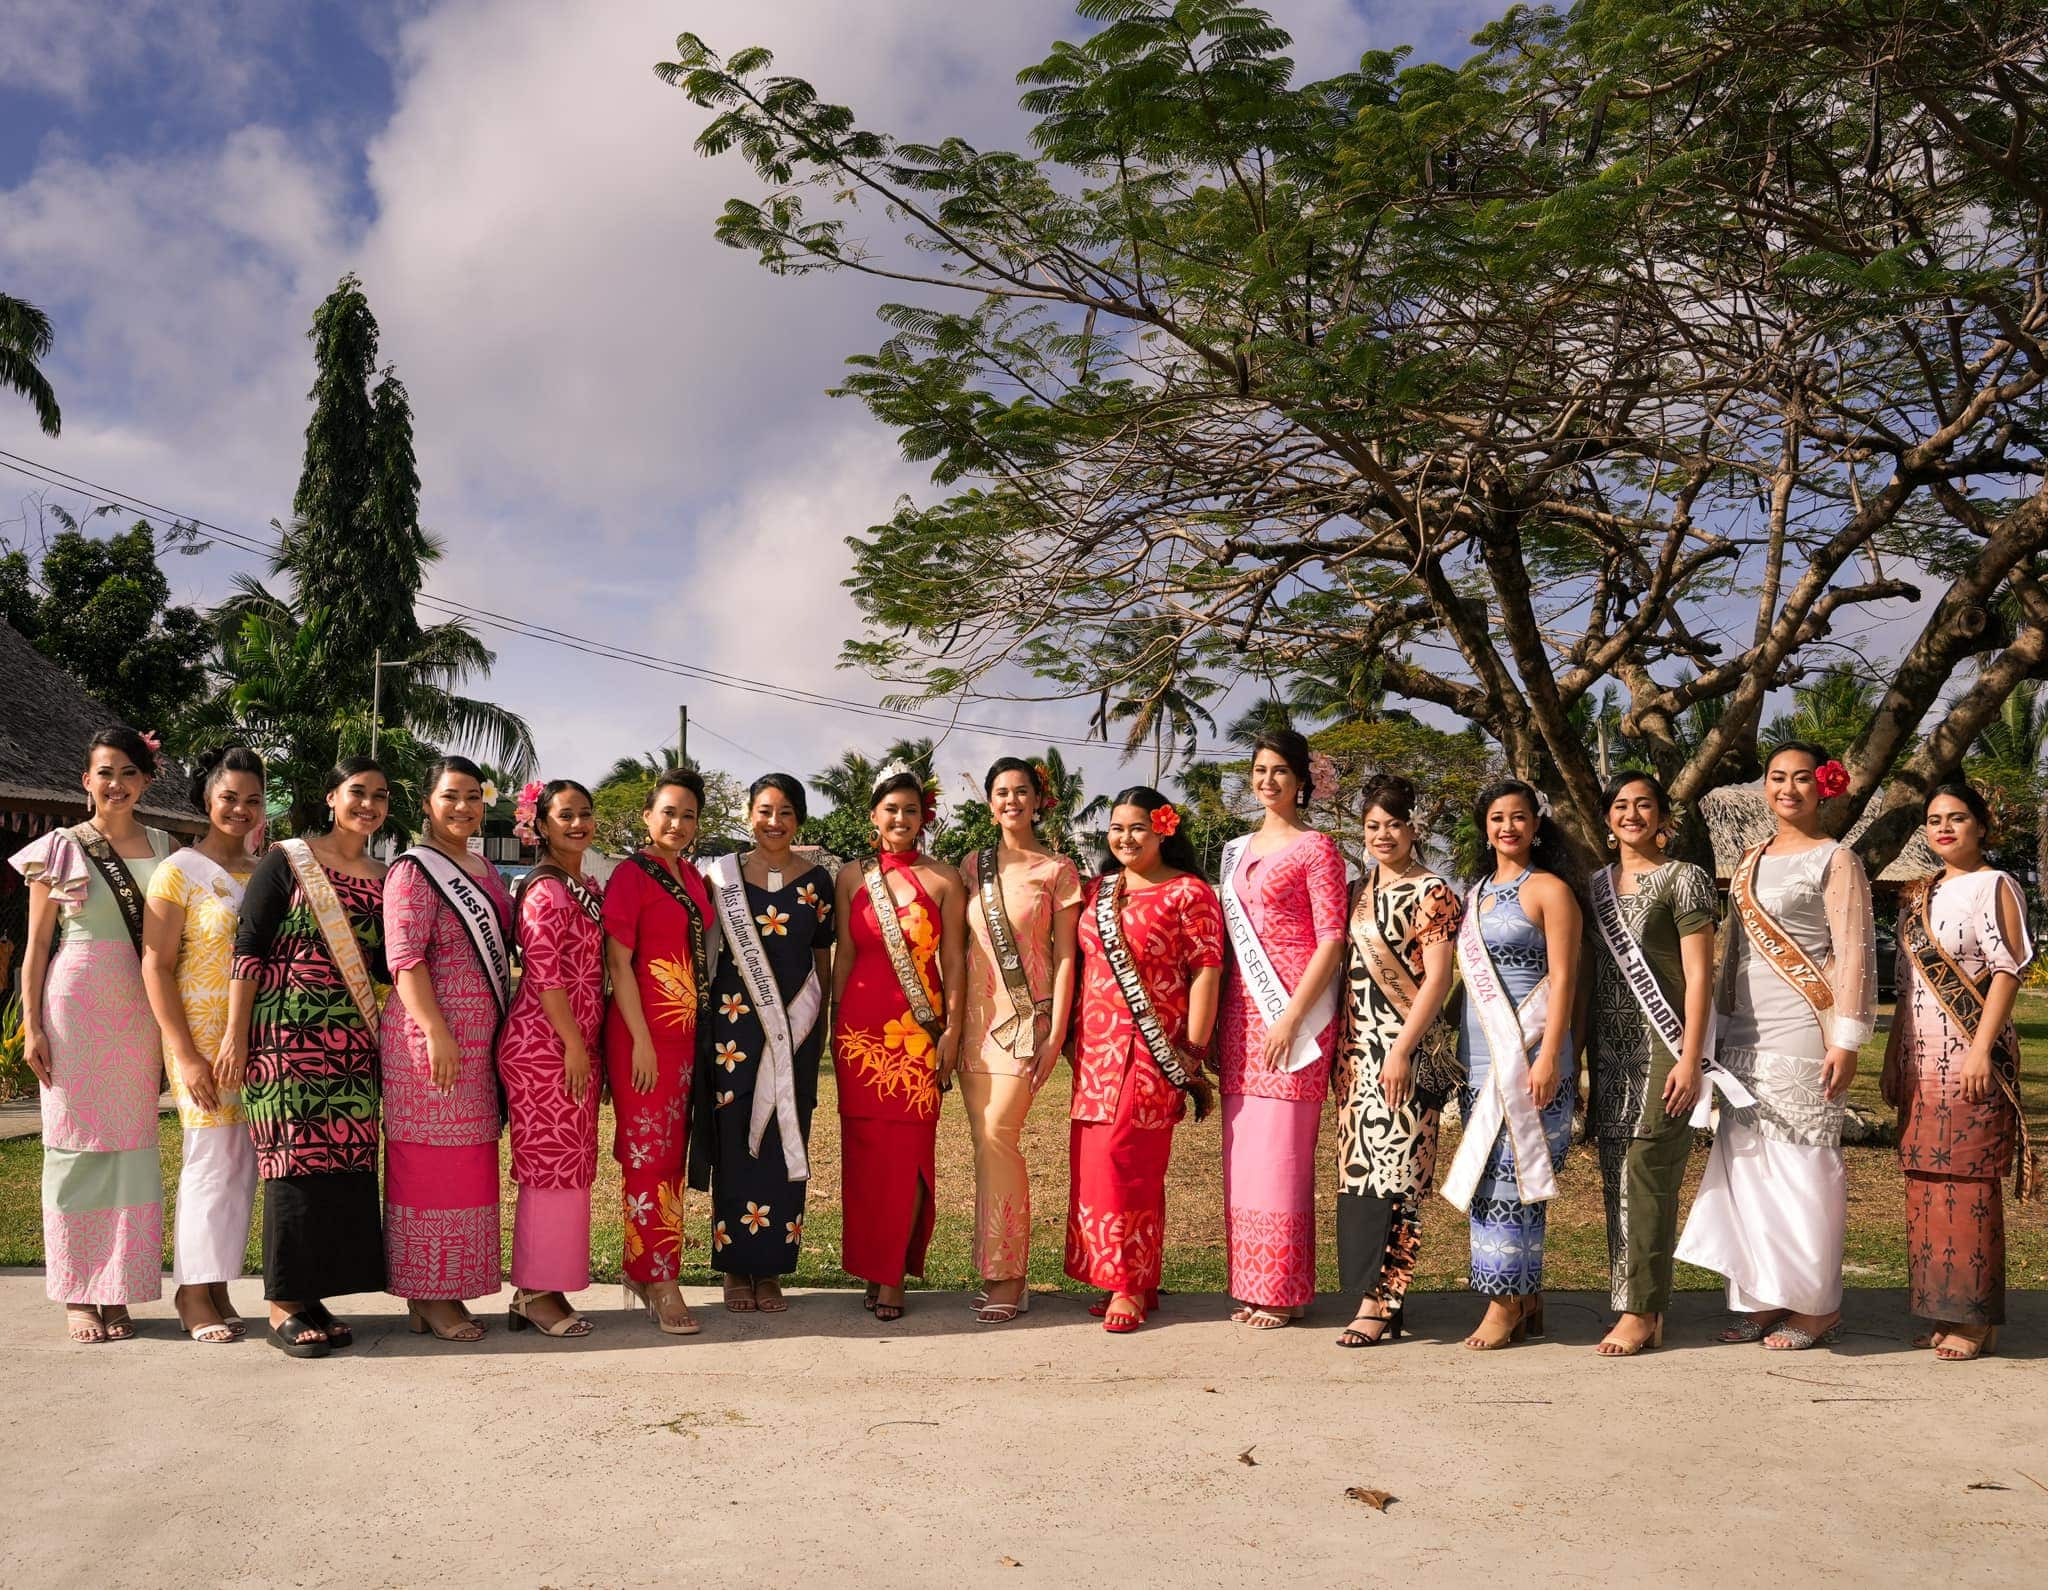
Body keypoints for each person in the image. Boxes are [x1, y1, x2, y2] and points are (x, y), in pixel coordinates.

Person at [1677, 741, 1875, 1351]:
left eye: (1801, 778)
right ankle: (1763, 1295)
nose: (1788, 789)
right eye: (1777, 777)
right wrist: (1716, 1028)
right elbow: (1732, 949)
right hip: (1744, 1033)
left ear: (1824, 786)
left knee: (1803, 1165)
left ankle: (1817, 1306)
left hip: (1804, 1029)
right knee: (1749, 1166)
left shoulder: (1836, 859)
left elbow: (1854, 950)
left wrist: (1846, 1039)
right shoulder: (1748, 860)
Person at [10, 727, 173, 1344]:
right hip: (74, 1006)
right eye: (106, 772)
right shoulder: (58, 849)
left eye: (130, 772)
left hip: (139, 1009)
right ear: (86, 780)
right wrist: (32, 1024)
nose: (117, 784)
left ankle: (118, 1287)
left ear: (146, 781)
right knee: (73, 1147)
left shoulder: (165, 846)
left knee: (131, 1148)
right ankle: (78, 1292)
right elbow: (35, 946)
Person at [227, 757, 390, 1357]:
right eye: (357, 792)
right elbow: (249, 946)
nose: (368, 804)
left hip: (351, 1041)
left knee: (344, 1162)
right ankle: (283, 1304)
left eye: (379, 796)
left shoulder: (386, 875)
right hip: (285, 1038)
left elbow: (384, 964)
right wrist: (235, 1035)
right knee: (294, 1162)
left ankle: (313, 1293)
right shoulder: (289, 858)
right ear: (331, 797)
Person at [1880, 782, 2032, 1361]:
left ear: (1982, 826)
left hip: (1972, 1060)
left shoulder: (1996, 885)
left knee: (1968, 1183)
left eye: (1957, 818)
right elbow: (1907, 987)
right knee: (1926, 1182)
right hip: (1920, 1061)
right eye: (1935, 819)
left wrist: (1980, 1050)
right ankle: (1944, 1309)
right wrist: (1894, 1057)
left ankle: (1976, 1319)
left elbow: (2008, 970)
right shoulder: (1920, 894)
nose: (1944, 828)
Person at [1066, 787, 1222, 1333]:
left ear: (1163, 830)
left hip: (1152, 1052)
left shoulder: (1189, 893)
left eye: (1137, 827)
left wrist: (1192, 1051)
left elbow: (1206, 970)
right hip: (1094, 1054)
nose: (1125, 837)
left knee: (1129, 1164)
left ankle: (1128, 1285)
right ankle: (1132, 1280)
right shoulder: (1097, 891)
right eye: (1117, 828)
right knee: (1094, 1166)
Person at [689, 773, 835, 1314]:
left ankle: (771, 1269)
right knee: (734, 1140)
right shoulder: (719, 877)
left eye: (786, 812)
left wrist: (821, 1022)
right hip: (735, 1033)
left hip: (797, 1030)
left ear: (800, 820)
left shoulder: (818, 881)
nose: (775, 822)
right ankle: (734, 1267)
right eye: (765, 811)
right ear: (750, 815)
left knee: (784, 1138)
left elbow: (821, 957)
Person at [1444, 778, 1582, 1350]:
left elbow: (1565, 979)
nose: (1508, 826)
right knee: (1488, 1179)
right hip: (1480, 1063)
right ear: (1485, 827)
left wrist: (1549, 1056)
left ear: (1536, 824)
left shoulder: (1551, 889)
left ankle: (1503, 1303)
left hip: (1531, 1057)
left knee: (1515, 1181)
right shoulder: (1473, 894)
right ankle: (1525, 1297)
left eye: (1519, 816)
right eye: (1497, 817)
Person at [381, 757, 514, 1344]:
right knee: (429, 1165)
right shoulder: (414, 870)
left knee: (467, 1165)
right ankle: (428, 1292)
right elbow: (405, 958)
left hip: (481, 1041)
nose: (463, 807)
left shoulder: (486, 869)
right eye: (451, 796)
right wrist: (436, 1030)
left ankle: (446, 1288)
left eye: (473, 797)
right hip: (428, 1039)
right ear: (427, 803)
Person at [1217, 729, 1348, 1329]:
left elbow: (1332, 938)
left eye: (1280, 771)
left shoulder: (1318, 848)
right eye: (1260, 770)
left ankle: (1283, 1289)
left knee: (1282, 1155)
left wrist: (1292, 1017)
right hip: (1240, 1018)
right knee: (1245, 1155)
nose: (1267, 781)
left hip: (1295, 1016)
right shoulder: (1235, 849)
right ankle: (1252, 1283)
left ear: (1301, 782)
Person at [1584, 771, 1717, 1356]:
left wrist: (1691, 1058)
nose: (1631, 814)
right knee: (1616, 1171)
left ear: (1663, 817)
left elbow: (1699, 975)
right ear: (1607, 819)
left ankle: (1642, 1308)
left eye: (1643, 805)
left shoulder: (1685, 878)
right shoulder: (1596, 885)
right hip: (1610, 1046)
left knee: (1648, 1168)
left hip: (1667, 1045)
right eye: (1620, 805)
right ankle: (1633, 1301)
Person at [141, 745, 267, 1344]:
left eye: (252, 800)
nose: (240, 809)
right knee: (211, 1161)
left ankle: (218, 1284)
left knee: (243, 1165)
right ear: (207, 799)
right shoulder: (179, 870)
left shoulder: (267, 872)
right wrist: (185, 1054)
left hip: (257, 1040)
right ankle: (192, 1291)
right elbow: (156, 964)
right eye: (228, 798)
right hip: (199, 1037)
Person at [1331, 774, 1461, 1348]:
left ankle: (1380, 1303)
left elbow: (1438, 978)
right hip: (1354, 1058)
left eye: (1394, 824)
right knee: (1361, 1179)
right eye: (1373, 826)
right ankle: (1379, 1298)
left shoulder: (1433, 891)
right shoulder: (1356, 890)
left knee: (1400, 1179)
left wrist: (1402, 1049)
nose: (1383, 835)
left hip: (1405, 1053)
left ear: (1414, 828)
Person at [832, 766, 965, 1322]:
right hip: (861, 1036)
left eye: (911, 810)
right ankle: (872, 1265)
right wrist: (835, 1027)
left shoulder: (945, 879)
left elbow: (953, 961)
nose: (901, 819)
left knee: (908, 1157)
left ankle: (892, 1277)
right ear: (874, 815)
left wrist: (952, 1030)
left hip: (916, 1035)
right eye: (891, 809)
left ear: (923, 816)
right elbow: (844, 954)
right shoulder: (850, 876)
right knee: (864, 1158)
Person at [956, 759, 1081, 1323]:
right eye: (1002, 792)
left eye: (1021, 791)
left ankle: (1009, 1275)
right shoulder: (972, 866)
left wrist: (1055, 1032)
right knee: (984, 1145)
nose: (1012, 800)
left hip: (1026, 1023)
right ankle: (995, 1270)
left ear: (1038, 800)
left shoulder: (1057, 870)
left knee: (999, 1136)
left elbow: (1066, 956)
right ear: (990, 804)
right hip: (975, 1026)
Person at [604, 768, 714, 1336]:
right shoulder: (632, 875)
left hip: (687, 1039)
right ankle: (659, 1279)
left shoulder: (692, 876)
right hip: (642, 1038)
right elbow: (618, 962)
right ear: (647, 816)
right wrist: (642, 1042)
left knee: (671, 1157)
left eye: (688, 815)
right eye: (668, 812)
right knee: (649, 1158)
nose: (677, 823)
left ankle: (644, 1269)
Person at [497, 779, 605, 1339]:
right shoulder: (544, 891)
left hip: (572, 1047)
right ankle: (535, 1293)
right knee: (549, 1167)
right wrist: (574, 1045)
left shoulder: (583, 885)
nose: (577, 823)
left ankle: (547, 1285)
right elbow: (544, 975)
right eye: (565, 815)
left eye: (585, 813)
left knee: (571, 1165)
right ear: (540, 825)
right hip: (546, 1047)